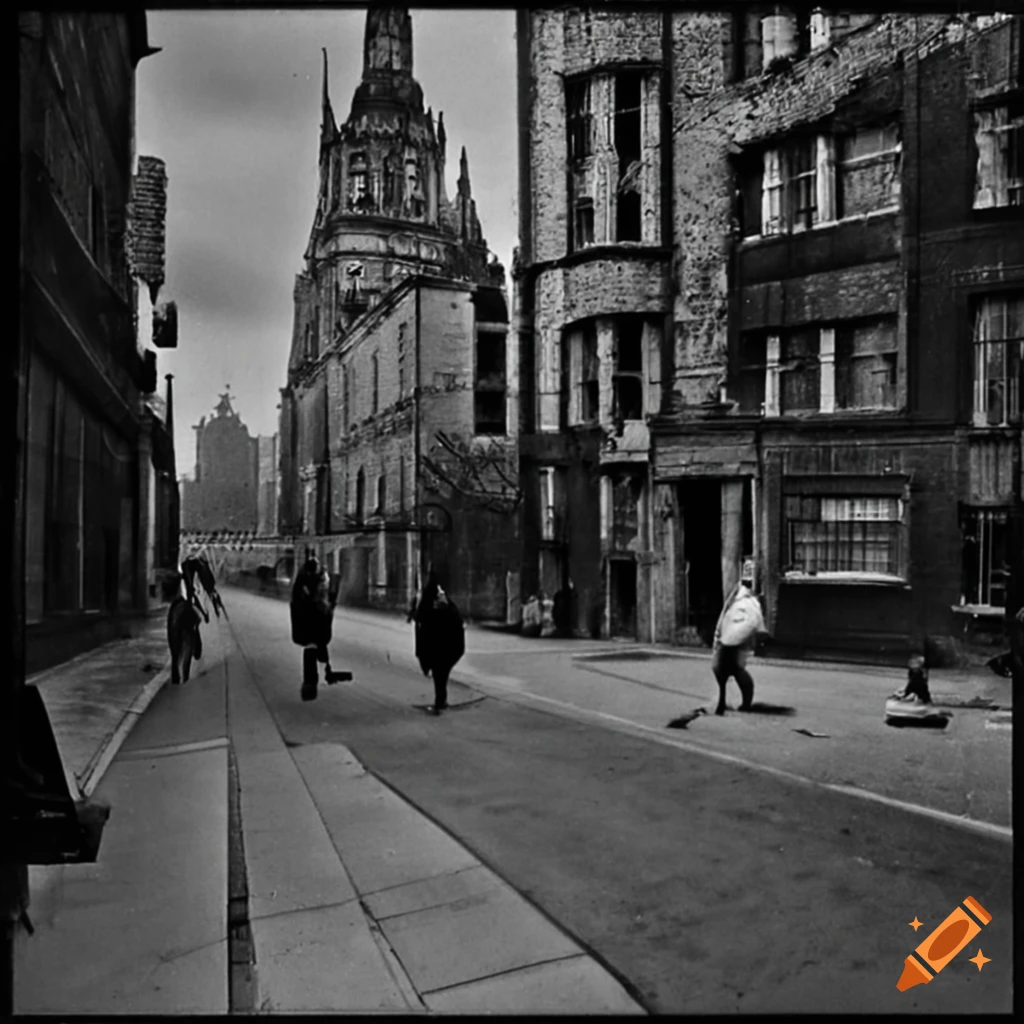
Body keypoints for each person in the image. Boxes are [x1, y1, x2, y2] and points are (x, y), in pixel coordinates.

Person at [290, 554, 348, 701]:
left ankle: (310, 685)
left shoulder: (303, 583)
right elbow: (323, 602)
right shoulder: (312, 584)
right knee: (314, 649)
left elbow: (297, 602)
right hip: (315, 623)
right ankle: (312, 683)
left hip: (308, 626)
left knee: (311, 651)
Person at [711, 572, 767, 716]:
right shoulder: (739, 598)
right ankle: (725, 702)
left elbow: (753, 621)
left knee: (733, 668)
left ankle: (735, 702)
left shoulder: (747, 600)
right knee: (726, 668)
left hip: (736, 635)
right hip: (733, 634)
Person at [411, 571, 466, 714]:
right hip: (447, 646)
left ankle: (440, 702)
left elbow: (420, 620)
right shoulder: (448, 604)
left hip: (435, 646)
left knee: (438, 675)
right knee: (442, 674)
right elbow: (457, 622)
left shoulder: (427, 603)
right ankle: (441, 700)